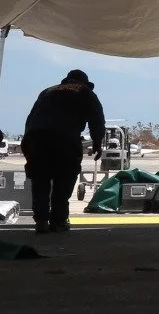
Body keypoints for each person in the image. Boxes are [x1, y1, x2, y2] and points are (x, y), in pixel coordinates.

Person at [21, 69, 105, 234]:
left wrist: (28, 146)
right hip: (65, 140)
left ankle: (41, 221)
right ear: (83, 82)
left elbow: (31, 119)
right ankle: (58, 221)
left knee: (40, 182)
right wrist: (97, 142)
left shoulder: (47, 91)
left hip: (37, 140)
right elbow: (97, 118)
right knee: (64, 181)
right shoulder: (85, 92)